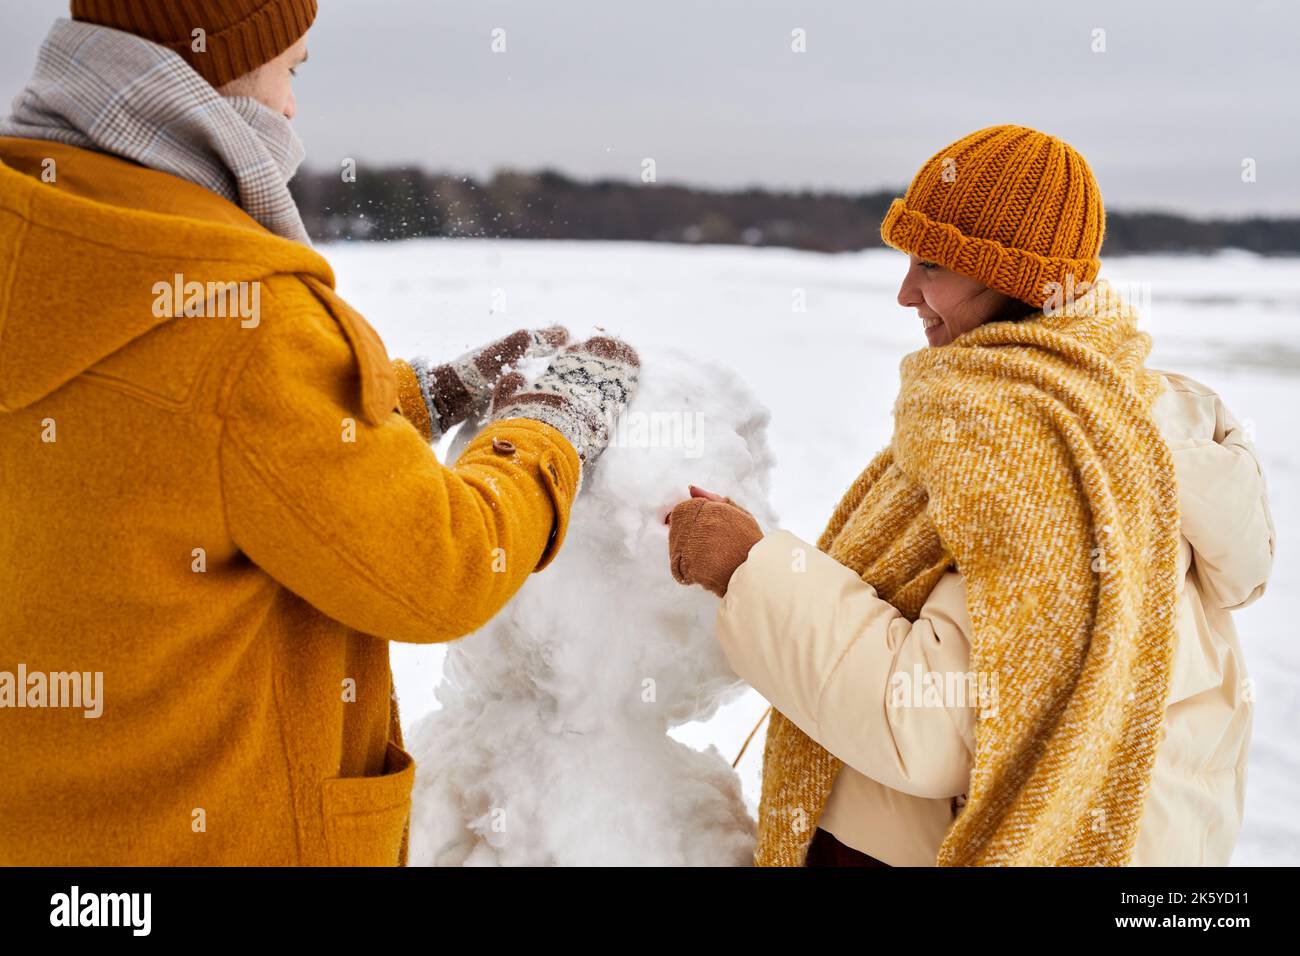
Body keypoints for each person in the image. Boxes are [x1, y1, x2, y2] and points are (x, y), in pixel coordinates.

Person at [0, 0, 638, 866]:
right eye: (290, 68)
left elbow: (159, 439)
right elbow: (437, 568)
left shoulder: (39, 239)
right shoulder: (240, 316)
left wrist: (411, 398)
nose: (293, 108)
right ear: (218, 67)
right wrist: (548, 430)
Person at [668, 124, 1276, 866]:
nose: (904, 292)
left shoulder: (1029, 447)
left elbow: (930, 727)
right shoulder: (1142, 411)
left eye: (932, 263)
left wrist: (747, 569)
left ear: (1011, 279)